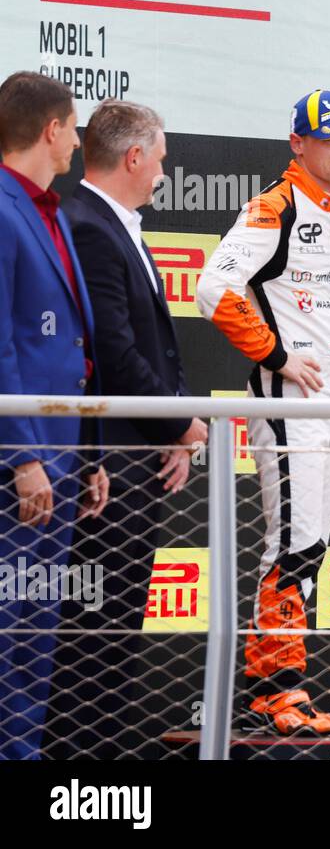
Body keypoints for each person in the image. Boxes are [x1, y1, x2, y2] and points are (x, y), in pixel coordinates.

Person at [196, 89, 330, 736]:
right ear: (299, 143)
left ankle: (271, 687)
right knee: (291, 545)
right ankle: (281, 694)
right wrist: (273, 353)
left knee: (313, 546)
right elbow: (212, 287)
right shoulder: (274, 207)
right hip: (288, 402)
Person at [44, 99, 208, 758]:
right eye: (161, 159)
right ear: (134, 158)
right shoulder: (87, 224)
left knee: (117, 638)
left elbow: (155, 348)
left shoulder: (117, 225)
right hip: (104, 466)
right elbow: (113, 350)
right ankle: (80, 771)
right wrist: (179, 423)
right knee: (95, 636)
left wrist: (173, 431)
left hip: (135, 456)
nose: (165, 172)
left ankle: (100, 764)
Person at [0, 71, 109, 760]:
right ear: (50, 130)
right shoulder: (4, 208)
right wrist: (24, 457)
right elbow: (2, 347)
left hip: (62, 462)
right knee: (10, 627)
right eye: (73, 127)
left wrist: (91, 452)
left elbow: (75, 349)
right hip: (23, 469)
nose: (78, 139)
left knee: (37, 629)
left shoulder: (51, 211)